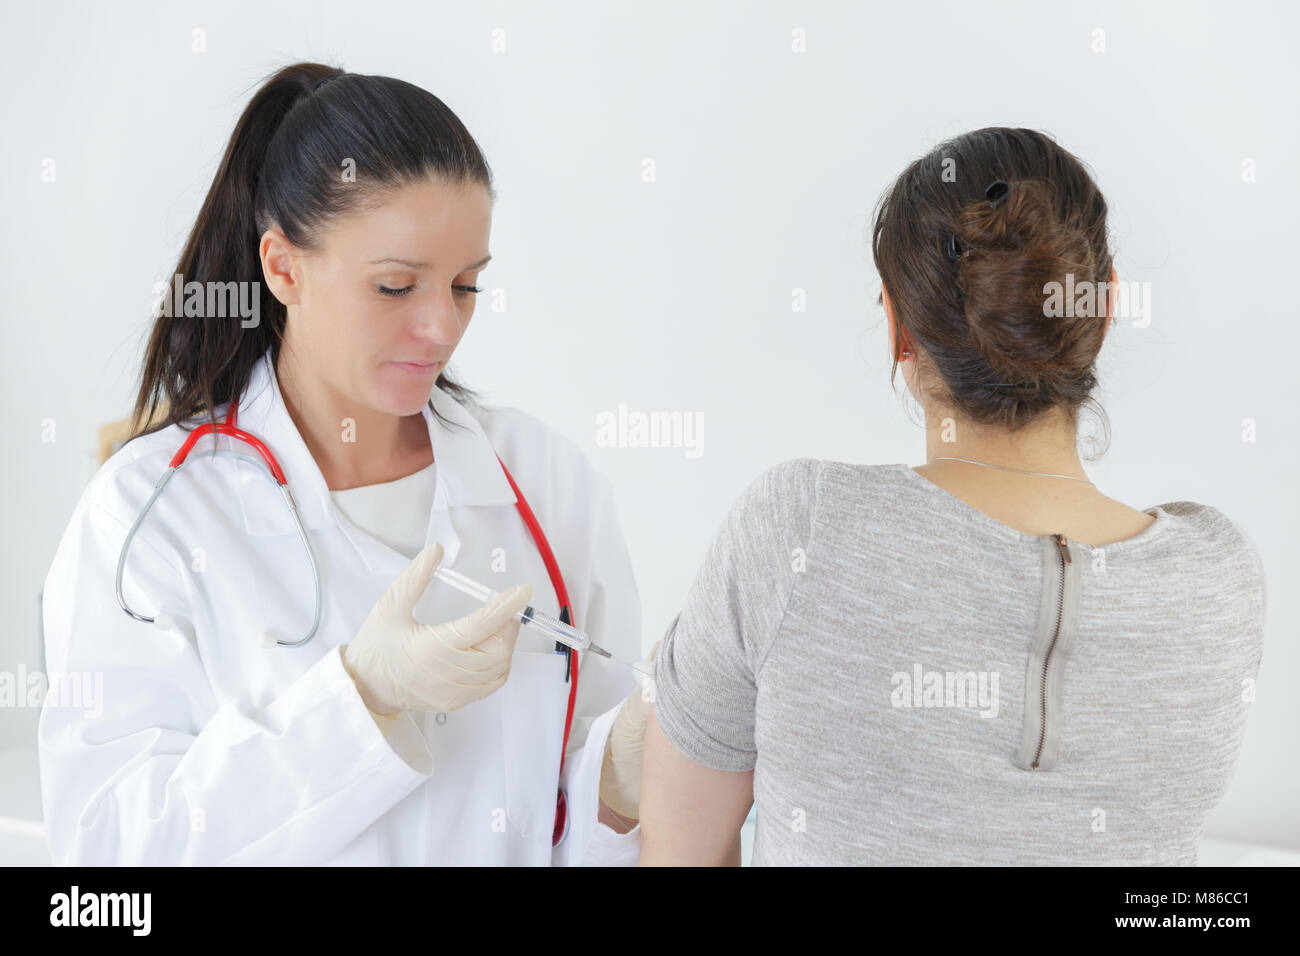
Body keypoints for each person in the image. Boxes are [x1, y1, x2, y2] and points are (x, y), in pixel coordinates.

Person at [38, 62, 651, 865]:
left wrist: (625, 781)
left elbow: (574, 811)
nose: (441, 327)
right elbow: (111, 861)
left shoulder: (542, 480)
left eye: (466, 286)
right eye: (397, 287)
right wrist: (360, 699)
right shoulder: (150, 515)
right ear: (283, 267)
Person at [639, 127, 1267, 866]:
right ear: (1104, 307)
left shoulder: (798, 528)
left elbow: (680, 852)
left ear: (901, 330)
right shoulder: (1220, 579)